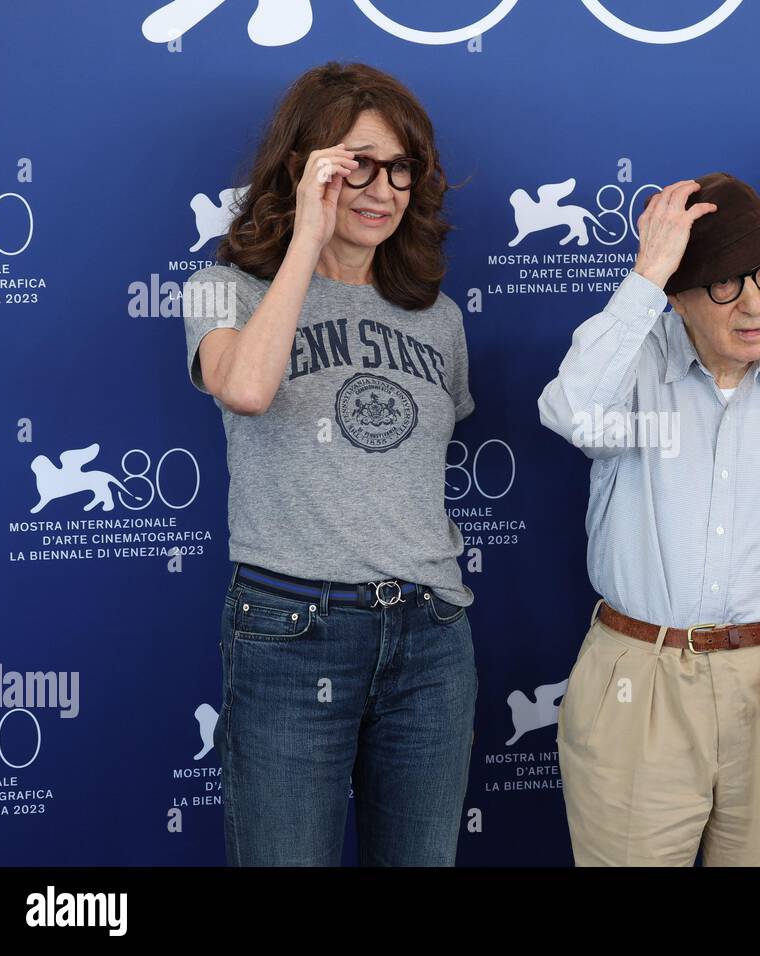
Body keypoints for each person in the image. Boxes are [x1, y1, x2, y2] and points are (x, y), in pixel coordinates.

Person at [181, 62, 476, 866]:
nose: (382, 189)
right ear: (307, 167)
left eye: (400, 168)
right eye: (357, 165)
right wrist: (307, 238)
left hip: (431, 636)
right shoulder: (219, 289)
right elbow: (244, 388)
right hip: (290, 630)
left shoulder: (438, 317)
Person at [539, 173, 760, 866]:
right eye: (724, 284)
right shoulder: (632, 367)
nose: (754, 305)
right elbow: (569, 413)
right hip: (640, 685)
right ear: (676, 299)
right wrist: (646, 273)